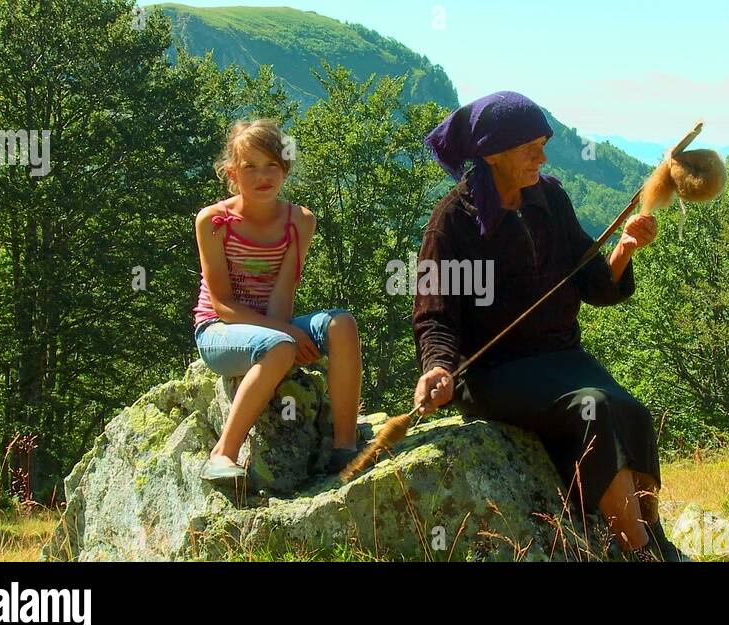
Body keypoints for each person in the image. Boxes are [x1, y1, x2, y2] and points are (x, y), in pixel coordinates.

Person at [412, 92, 686, 561]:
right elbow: (435, 313)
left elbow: (595, 284)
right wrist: (438, 368)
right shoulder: (454, 221)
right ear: (492, 153)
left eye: (543, 143)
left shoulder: (550, 198)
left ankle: (657, 540)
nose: (541, 156)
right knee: (593, 408)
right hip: (493, 371)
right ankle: (639, 554)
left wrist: (624, 250)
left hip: (562, 358)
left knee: (633, 412)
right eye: (528, 148)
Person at [192, 119, 364, 482]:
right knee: (279, 345)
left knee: (342, 325)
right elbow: (222, 304)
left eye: (272, 164)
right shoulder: (214, 221)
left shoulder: (299, 221)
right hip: (219, 331)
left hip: (272, 329)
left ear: (285, 167)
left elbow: (284, 290)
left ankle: (345, 446)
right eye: (249, 166)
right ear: (231, 173)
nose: (262, 175)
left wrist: (284, 334)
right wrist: (283, 336)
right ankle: (222, 454)